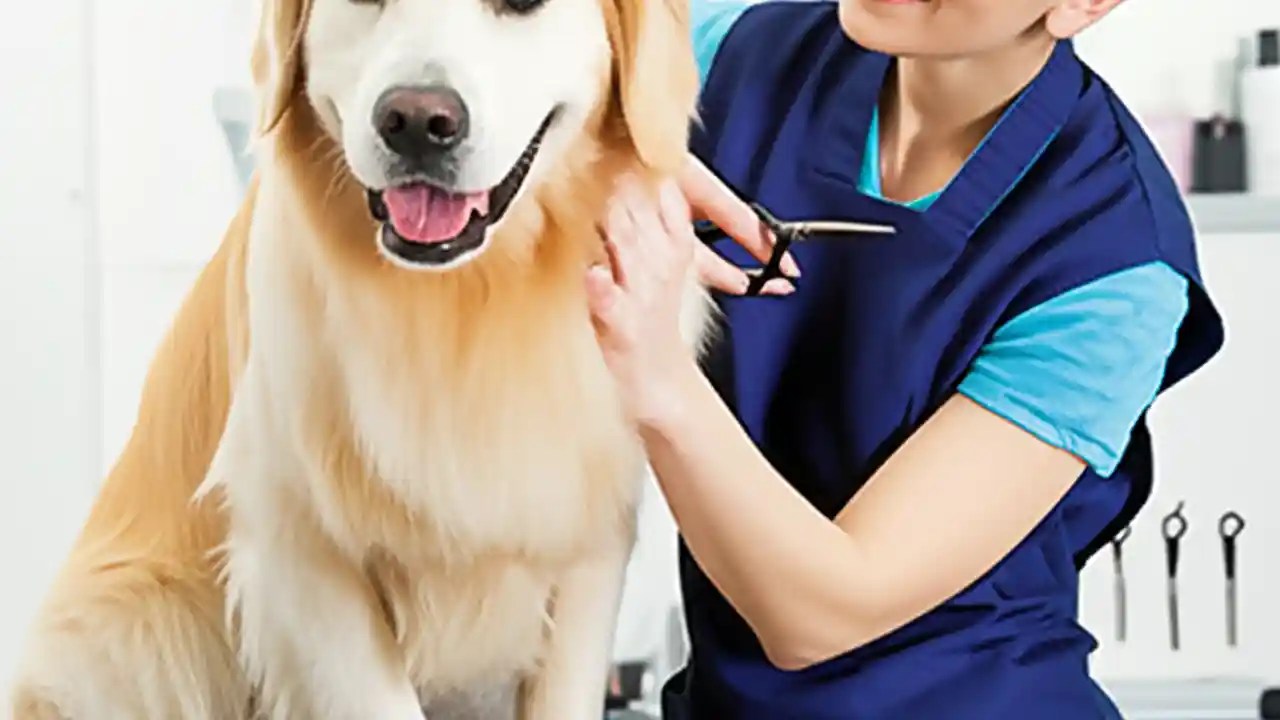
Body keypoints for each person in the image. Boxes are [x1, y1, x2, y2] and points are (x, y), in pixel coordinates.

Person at [585, 0, 1224, 718]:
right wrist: (592, 168)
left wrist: (657, 376)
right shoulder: (730, 50)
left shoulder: (1111, 262)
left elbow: (821, 614)